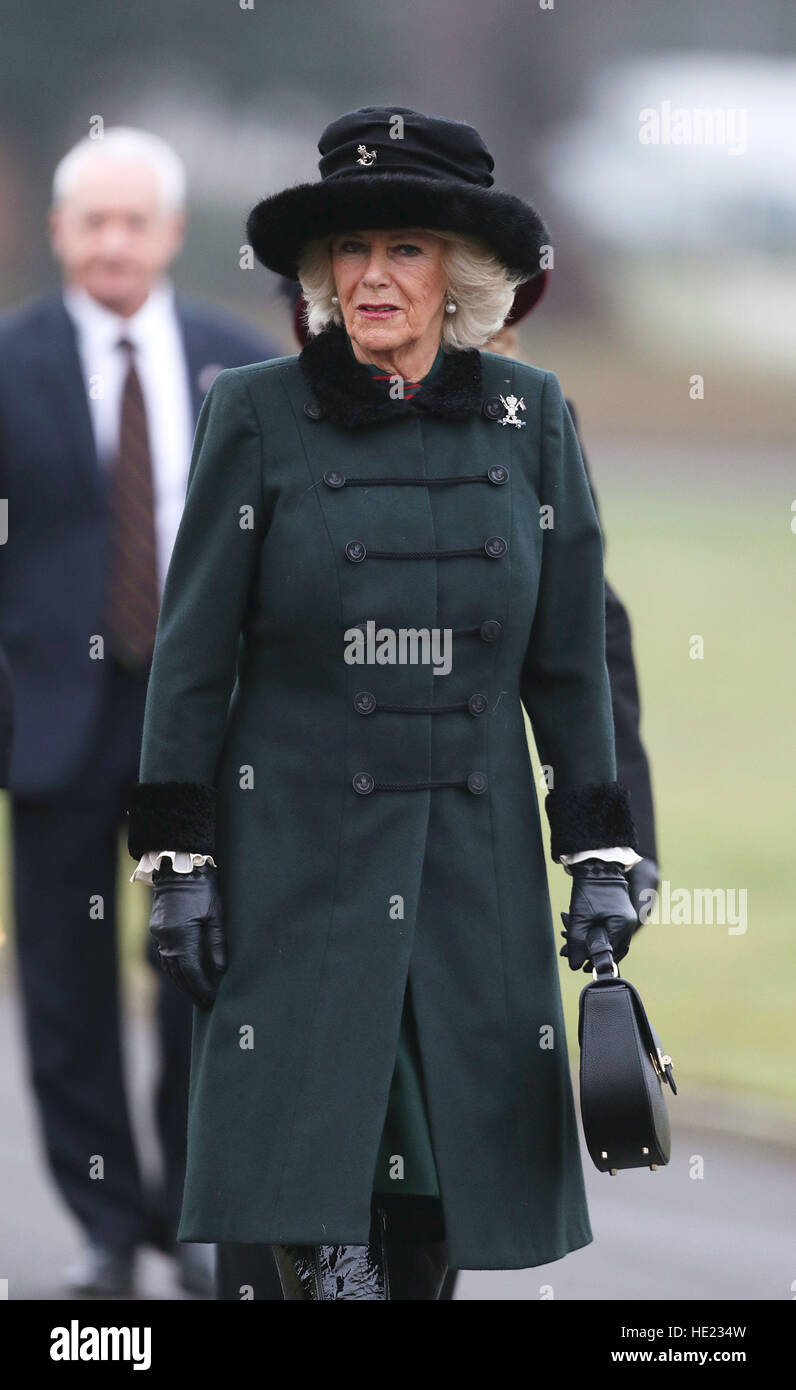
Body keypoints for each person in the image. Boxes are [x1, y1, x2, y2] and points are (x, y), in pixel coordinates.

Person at [126, 104, 644, 1301]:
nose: (370, 276)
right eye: (348, 251)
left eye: (403, 247)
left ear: (459, 277)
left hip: (473, 869)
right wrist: (182, 859)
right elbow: (192, 660)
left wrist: (601, 856)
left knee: (434, 1211)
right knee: (318, 1206)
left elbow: (566, 663)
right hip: (300, 861)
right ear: (317, 273)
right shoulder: (253, 413)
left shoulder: (534, 423)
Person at [0, 126, 279, 1297]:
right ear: (60, 232)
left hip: (202, 724)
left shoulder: (238, 364)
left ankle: (196, 1216)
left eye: (135, 220)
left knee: (202, 966)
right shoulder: (7, 363)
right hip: (56, 722)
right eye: (92, 220)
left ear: (170, 233)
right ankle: (108, 1224)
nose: (114, 240)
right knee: (64, 985)